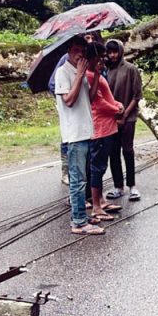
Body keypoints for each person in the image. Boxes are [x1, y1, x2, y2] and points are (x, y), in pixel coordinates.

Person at [53, 36, 104, 235]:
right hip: (74, 134)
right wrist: (80, 74)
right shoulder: (63, 72)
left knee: (83, 177)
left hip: (85, 131)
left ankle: (81, 214)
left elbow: (89, 98)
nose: (80, 54)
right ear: (68, 51)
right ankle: (79, 222)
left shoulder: (77, 72)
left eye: (82, 51)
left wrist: (96, 74)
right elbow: (69, 101)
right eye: (76, 50)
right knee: (78, 180)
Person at [86, 41, 124, 221]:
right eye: (100, 57)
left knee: (102, 166)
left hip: (108, 126)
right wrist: (116, 110)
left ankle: (100, 200)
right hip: (100, 127)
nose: (103, 60)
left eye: (104, 57)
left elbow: (107, 98)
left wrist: (117, 104)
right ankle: (96, 206)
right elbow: (97, 103)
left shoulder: (98, 74)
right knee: (97, 168)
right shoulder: (89, 76)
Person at [104, 39, 143, 202]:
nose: (113, 55)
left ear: (120, 51)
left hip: (129, 117)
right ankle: (118, 186)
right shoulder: (106, 70)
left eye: (115, 51)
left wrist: (125, 115)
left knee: (127, 151)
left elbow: (137, 95)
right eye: (110, 52)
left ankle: (132, 185)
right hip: (111, 118)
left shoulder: (130, 69)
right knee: (113, 152)